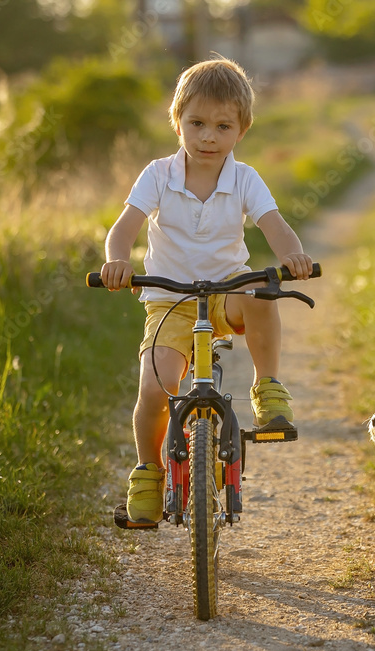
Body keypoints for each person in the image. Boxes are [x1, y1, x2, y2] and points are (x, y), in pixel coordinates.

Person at [100, 56, 314, 526]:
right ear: (177, 124)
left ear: (241, 130)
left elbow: (275, 227)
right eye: (196, 123)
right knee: (155, 388)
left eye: (222, 126)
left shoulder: (245, 178)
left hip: (226, 291)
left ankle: (268, 388)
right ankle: (149, 476)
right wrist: (117, 260)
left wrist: (293, 255)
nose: (208, 136)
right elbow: (123, 230)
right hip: (168, 300)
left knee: (262, 286)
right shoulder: (157, 174)